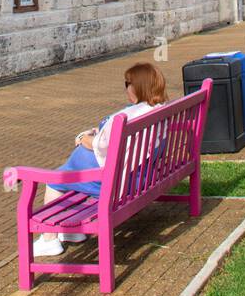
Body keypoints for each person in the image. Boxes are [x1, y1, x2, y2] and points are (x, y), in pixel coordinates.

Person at [32, 62, 167, 258]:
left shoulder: (127, 116)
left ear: (137, 87)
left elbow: (101, 146)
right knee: (72, 175)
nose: (126, 88)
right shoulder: (157, 110)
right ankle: (73, 232)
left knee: (56, 180)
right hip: (139, 178)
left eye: (127, 83)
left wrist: (82, 138)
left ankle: (49, 239)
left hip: (117, 183)